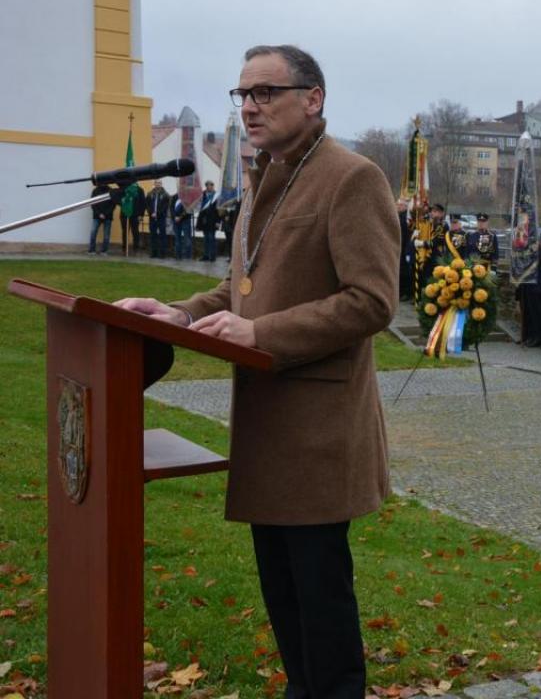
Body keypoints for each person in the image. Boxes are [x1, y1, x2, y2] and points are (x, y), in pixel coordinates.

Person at [114, 44, 399, 697]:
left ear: (313, 98)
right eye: (242, 95)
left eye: (265, 93)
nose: (250, 107)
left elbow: (373, 301)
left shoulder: (351, 178)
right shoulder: (266, 178)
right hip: (269, 431)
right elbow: (239, 286)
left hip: (320, 437)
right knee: (288, 610)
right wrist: (179, 313)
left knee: (322, 614)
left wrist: (260, 333)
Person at [87, 184, 115, 255]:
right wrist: (99, 214)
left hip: (108, 217)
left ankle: (104, 251)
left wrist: (105, 214)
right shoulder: (95, 191)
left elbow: (113, 204)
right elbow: (92, 203)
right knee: (93, 232)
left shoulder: (111, 191)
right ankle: (91, 250)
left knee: (106, 235)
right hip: (97, 216)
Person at [196, 180, 220, 261]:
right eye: (207, 185)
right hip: (204, 220)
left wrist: (218, 221)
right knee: (206, 239)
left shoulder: (217, 196)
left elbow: (219, 210)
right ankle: (206, 255)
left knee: (211, 238)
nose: (209, 187)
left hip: (213, 220)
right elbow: (200, 208)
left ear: (213, 186)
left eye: (211, 185)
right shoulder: (202, 195)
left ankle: (212, 256)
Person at [145, 183, 170, 258]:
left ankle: (162, 254)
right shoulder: (150, 194)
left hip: (161, 218)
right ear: (154, 184)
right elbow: (147, 205)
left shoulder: (165, 194)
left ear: (161, 184)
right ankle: (153, 253)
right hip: (152, 218)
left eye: (159, 183)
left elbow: (165, 206)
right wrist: (151, 213)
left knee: (162, 236)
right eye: (156, 183)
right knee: (153, 235)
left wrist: (157, 213)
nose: (157, 185)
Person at [121, 181, 145, 255]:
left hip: (135, 215)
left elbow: (143, 203)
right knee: (125, 232)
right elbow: (120, 199)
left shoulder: (140, 190)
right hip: (125, 214)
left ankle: (136, 248)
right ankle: (125, 248)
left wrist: (141, 214)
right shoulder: (125, 189)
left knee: (135, 232)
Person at [171, 192, 192, 259]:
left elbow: (189, 208)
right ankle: (178, 255)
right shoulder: (174, 196)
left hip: (185, 220)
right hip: (176, 220)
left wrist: (180, 217)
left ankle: (187, 256)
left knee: (187, 239)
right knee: (177, 239)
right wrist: (174, 216)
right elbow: (171, 208)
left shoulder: (188, 196)